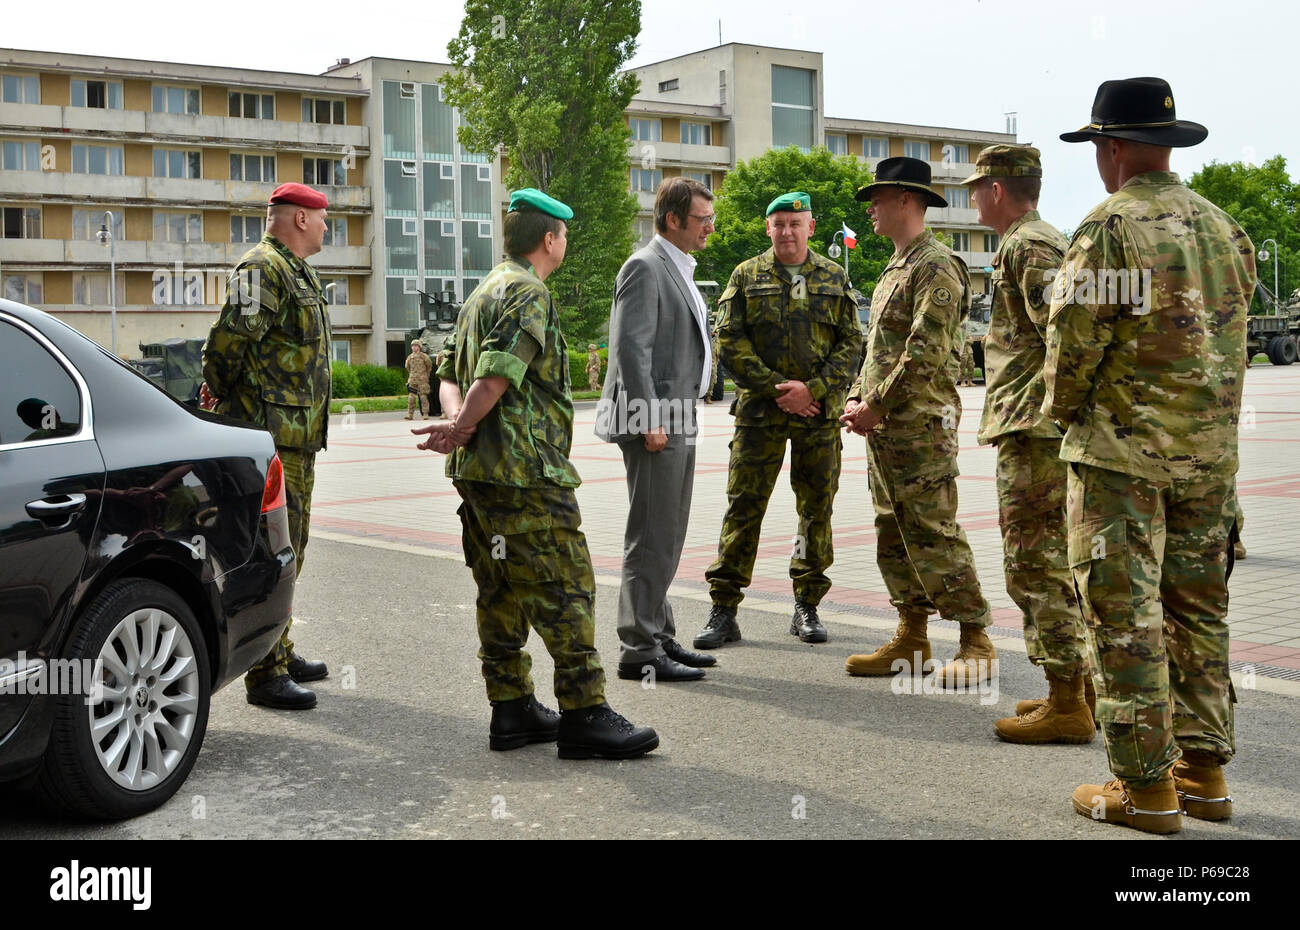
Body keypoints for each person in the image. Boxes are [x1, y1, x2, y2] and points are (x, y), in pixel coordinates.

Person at [1045, 78, 1256, 833]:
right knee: (1199, 616)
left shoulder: (1110, 228)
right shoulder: (1224, 229)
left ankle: (1145, 791)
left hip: (1122, 465)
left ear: (1112, 148)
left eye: (1098, 147)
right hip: (1210, 466)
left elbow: (1071, 349)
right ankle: (1204, 777)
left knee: (1125, 620)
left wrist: (1058, 422)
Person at [417, 188, 658, 759]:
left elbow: (448, 373)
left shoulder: (483, 291)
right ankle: (584, 713)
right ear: (550, 239)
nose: (565, 243)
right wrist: (463, 424)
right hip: (526, 473)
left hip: (478, 473)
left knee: (499, 588)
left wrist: (457, 425)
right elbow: (495, 377)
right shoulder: (528, 291)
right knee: (566, 586)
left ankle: (512, 709)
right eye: (564, 235)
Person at [839, 157, 996, 688]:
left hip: (920, 425)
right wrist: (860, 395)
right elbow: (877, 348)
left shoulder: (937, 265)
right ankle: (913, 635)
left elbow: (925, 350)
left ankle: (976, 638)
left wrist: (877, 402)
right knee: (892, 530)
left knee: (933, 529)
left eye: (878, 199)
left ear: (906, 199)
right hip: (884, 426)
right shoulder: (895, 266)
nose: (872, 211)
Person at [962, 144, 1094, 743]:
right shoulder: (1031, 240)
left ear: (996, 189)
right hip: (1032, 424)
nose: (970, 197)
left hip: (1034, 428)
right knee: (1044, 563)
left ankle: (1068, 701)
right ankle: (1075, 691)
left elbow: (1063, 333)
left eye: (976, 186)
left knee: (1033, 565)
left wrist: (1056, 411)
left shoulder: (1028, 244)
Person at [693, 192, 861, 649]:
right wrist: (777, 389)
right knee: (744, 507)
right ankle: (723, 609)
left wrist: (815, 390)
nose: (787, 231)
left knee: (815, 509)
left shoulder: (833, 275)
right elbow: (728, 339)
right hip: (759, 415)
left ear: (810, 226)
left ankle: (807, 606)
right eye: (779, 223)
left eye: (795, 223)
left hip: (818, 416)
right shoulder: (746, 275)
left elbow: (852, 342)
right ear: (767, 228)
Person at [200, 182, 331, 710]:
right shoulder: (262, 269)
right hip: (269, 438)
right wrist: (232, 405)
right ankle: (266, 672)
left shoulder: (294, 270)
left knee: (291, 548)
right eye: (323, 219)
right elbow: (226, 349)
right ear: (300, 218)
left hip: (296, 439)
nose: (326, 227)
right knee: (269, 550)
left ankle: (277, 644)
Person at [596, 177, 716, 682]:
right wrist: (649, 419)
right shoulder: (645, 266)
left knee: (666, 532)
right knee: (650, 536)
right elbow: (631, 349)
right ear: (672, 220)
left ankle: (660, 634)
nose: (710, 228)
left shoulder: (679, 267)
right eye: (702, 220)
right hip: (658, 422)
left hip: (679, 416)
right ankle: (639, 648)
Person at [404, 340, 434, 420]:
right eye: (413, 346)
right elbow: (407, 367)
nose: (414, 347)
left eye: (416, 346)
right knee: (411, 398)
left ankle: (425, 414)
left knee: (423, 397)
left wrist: (425, 375)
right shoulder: (410, 357)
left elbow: (429, 366)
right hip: (413, 380)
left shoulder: (424, 356)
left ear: (419, 347)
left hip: (422, 380)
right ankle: (410, 414)